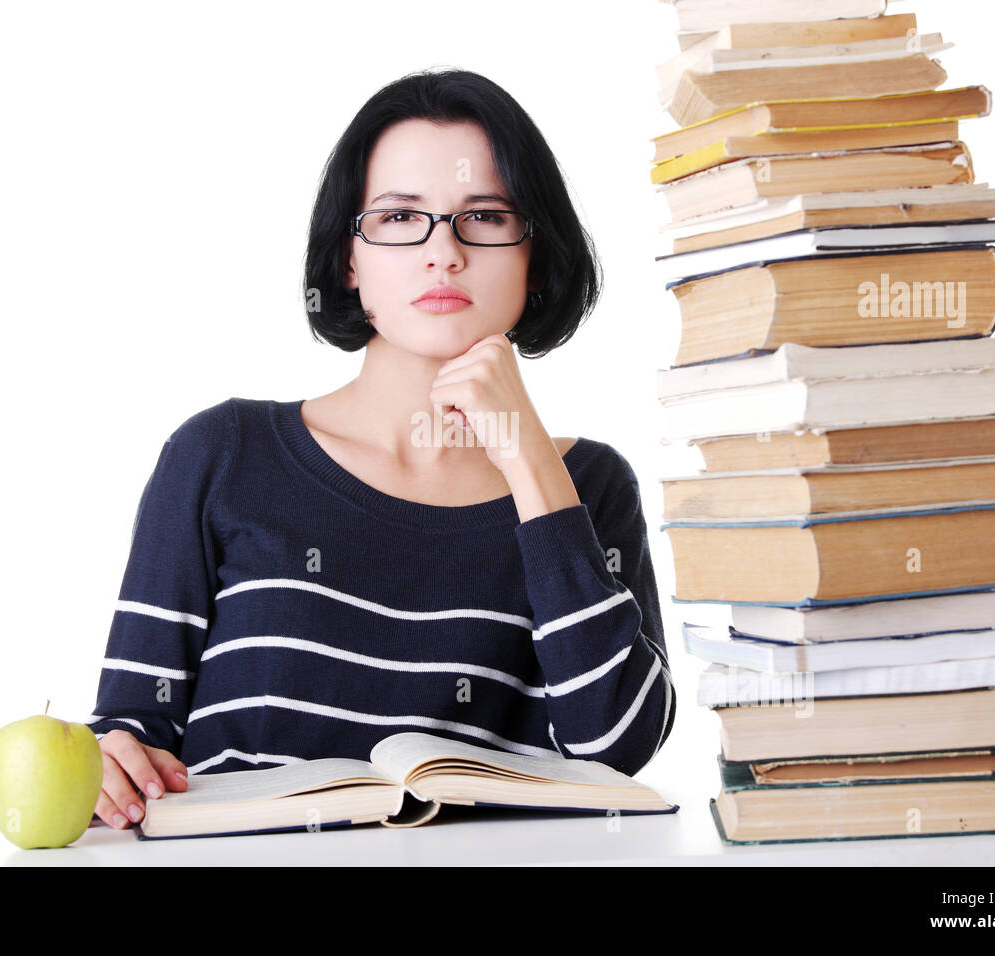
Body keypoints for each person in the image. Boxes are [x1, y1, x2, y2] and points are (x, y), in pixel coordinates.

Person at [85, 68, 676, 831]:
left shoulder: (585, 486)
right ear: (348, 261)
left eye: (486, 216)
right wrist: (108, 761)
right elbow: (133, 733)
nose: (444, 254)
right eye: (400, 219)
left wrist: (530, 460)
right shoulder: (221, 456)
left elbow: (614, 748)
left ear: (535, 257)